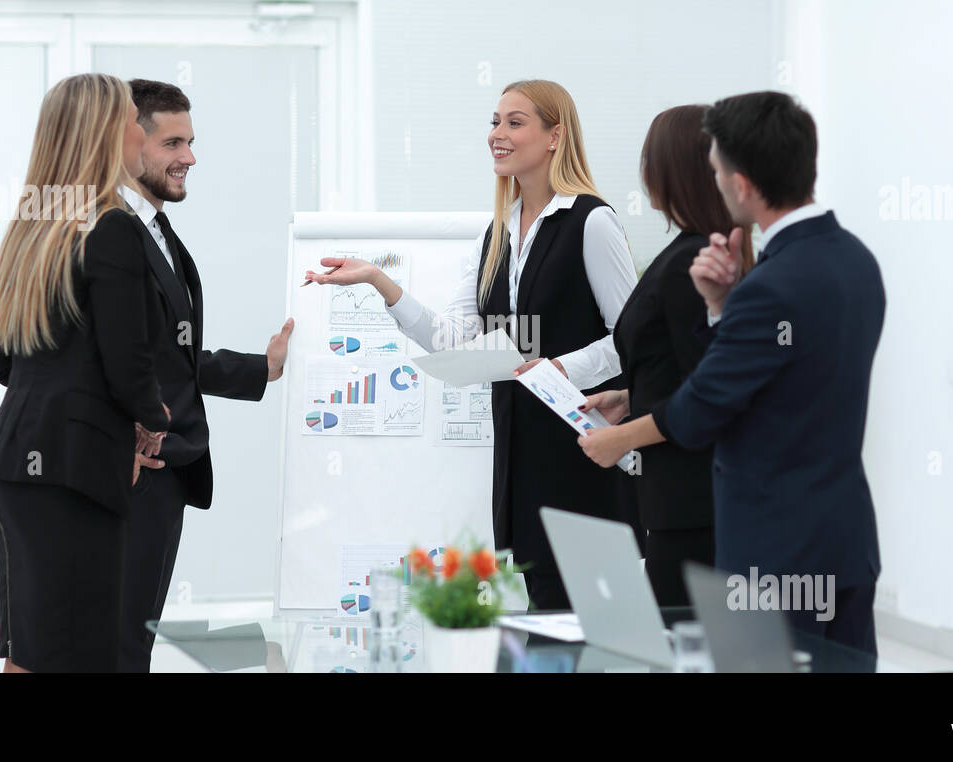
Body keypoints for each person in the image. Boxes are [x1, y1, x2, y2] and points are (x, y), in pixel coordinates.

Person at [305, 80, 636, 610]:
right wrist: (378, 281)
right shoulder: (498, 232)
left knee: (585, 624)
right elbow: (452, 339)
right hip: (520, 455)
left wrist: (557, 368)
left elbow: (632, 337)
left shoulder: (590, 221)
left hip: (583, 453)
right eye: (494, 121)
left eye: (514, 122)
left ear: (555, 136)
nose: (496, 135)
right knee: (546, 616)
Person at [578, 91, 886, 654]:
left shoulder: (770, 287)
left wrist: (622, 434)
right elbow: (777, 380)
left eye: (717, 171)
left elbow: (700, 412)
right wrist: (721, 310)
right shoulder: (855, 260)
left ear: (741, 184)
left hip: (774, 553)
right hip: (845, 542)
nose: (714, 184)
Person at [0, 73, 171, 672]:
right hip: (71, 474)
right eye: (132, 120)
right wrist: (150, 422)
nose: (141, 130)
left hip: (11, 464)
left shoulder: (34, 227)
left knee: (28, 649)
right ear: (105, 134)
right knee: (79, 652)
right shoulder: (112, 226)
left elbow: (4, 361)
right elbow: (126, 361)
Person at [115, 79, 295, 673]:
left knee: (129, 640)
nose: (189, 158)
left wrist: (258, 369)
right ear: (129, 140)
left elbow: (167, 351)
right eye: (173, 142)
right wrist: (118, 440)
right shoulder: (109, 231)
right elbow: (93, 357)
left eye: (190, 142)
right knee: (106, 643)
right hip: (129, 466)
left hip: (166, 468)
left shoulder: (157, 228)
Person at [581, 104, 753, 606]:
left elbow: (707, 396)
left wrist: (622, 437)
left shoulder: (692, 263)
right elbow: (691, 367)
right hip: (680, 495)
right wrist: (627, 395)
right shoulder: (692, 251)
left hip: (693, 501)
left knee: (684, 639)